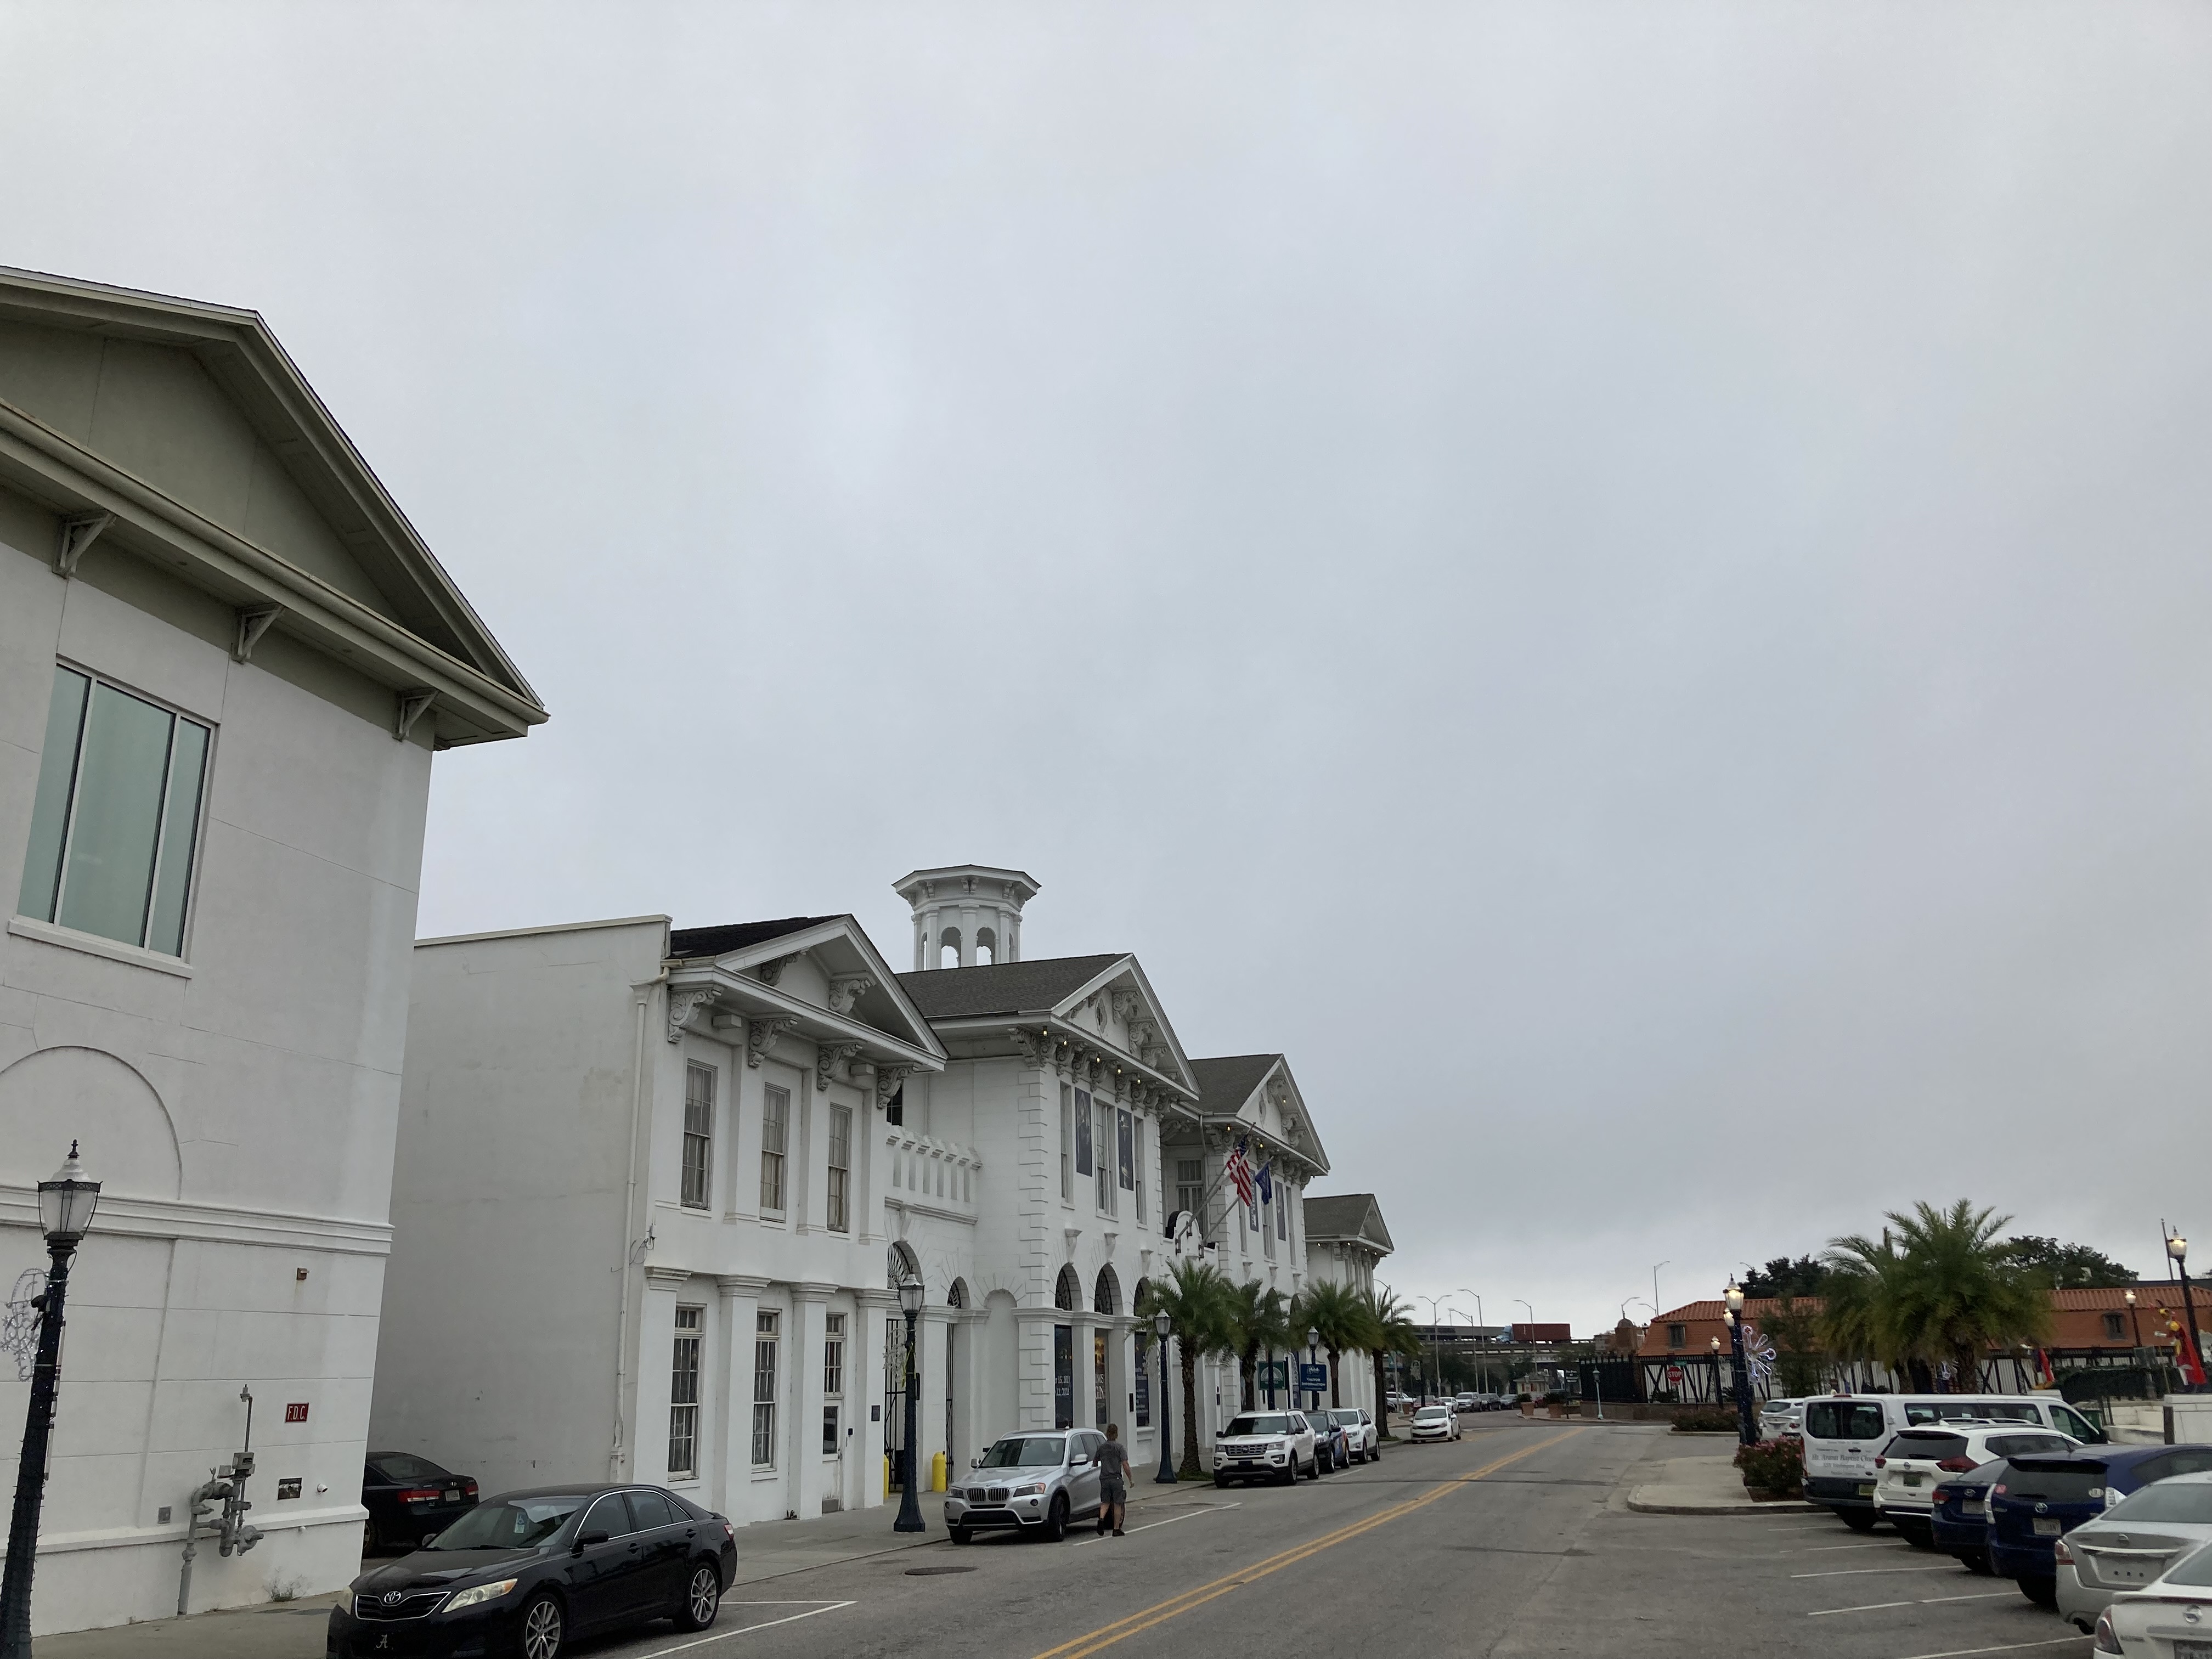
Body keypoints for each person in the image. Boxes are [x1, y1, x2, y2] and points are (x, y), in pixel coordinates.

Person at [1096, 1423, 1131, 1536]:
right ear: (1116, 1434)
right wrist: (1131, 1479)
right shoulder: (1120, 1448)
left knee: (1105, 1502)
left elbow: (1095, 1461)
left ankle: (1101, 1519)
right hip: (1116, 1479)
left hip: (1104, 1478)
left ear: (1107, 1433)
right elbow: (1125, 1464)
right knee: (1117, 1504)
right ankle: (1116, 1529)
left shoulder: (1101, 1448)